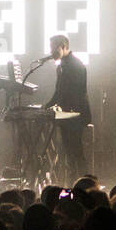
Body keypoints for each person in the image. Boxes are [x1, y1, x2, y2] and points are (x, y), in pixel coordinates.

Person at [45, 35, 92, 183]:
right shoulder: (63, 65)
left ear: (64, 46)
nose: (52, 51)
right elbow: (59, 91)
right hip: (68, 114)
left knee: (76, 152)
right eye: (51, 48)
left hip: (75, 115)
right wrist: (48, 106)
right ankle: (73, 183)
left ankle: (84, 184)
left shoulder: (74, 65)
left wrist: (55, 106)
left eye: (54, 48)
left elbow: (74, 92)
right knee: (70, 152)